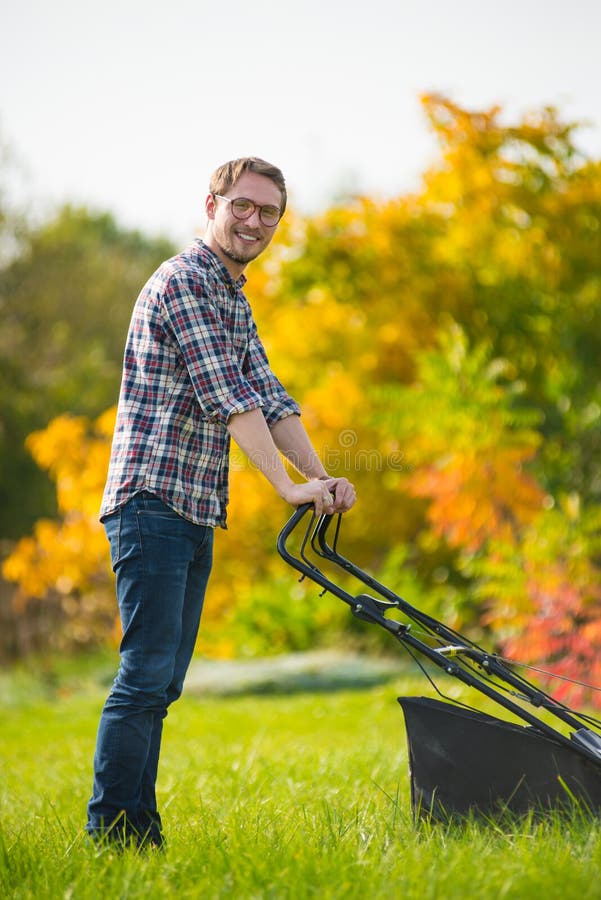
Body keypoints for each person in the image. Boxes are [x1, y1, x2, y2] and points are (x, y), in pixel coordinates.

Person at [86, 156, 356, 848]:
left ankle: (135, 835)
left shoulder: (231, 296)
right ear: (209, 205)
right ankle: (113, 835)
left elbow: (268, 395)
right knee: (144, 677)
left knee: (161, 684)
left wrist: (320, 479)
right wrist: (285, 486)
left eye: (268, 212)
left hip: (190, 508)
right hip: (150, 503)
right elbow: (227, 399)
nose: (254, 221)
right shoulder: (183, 283)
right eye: (242, 205)